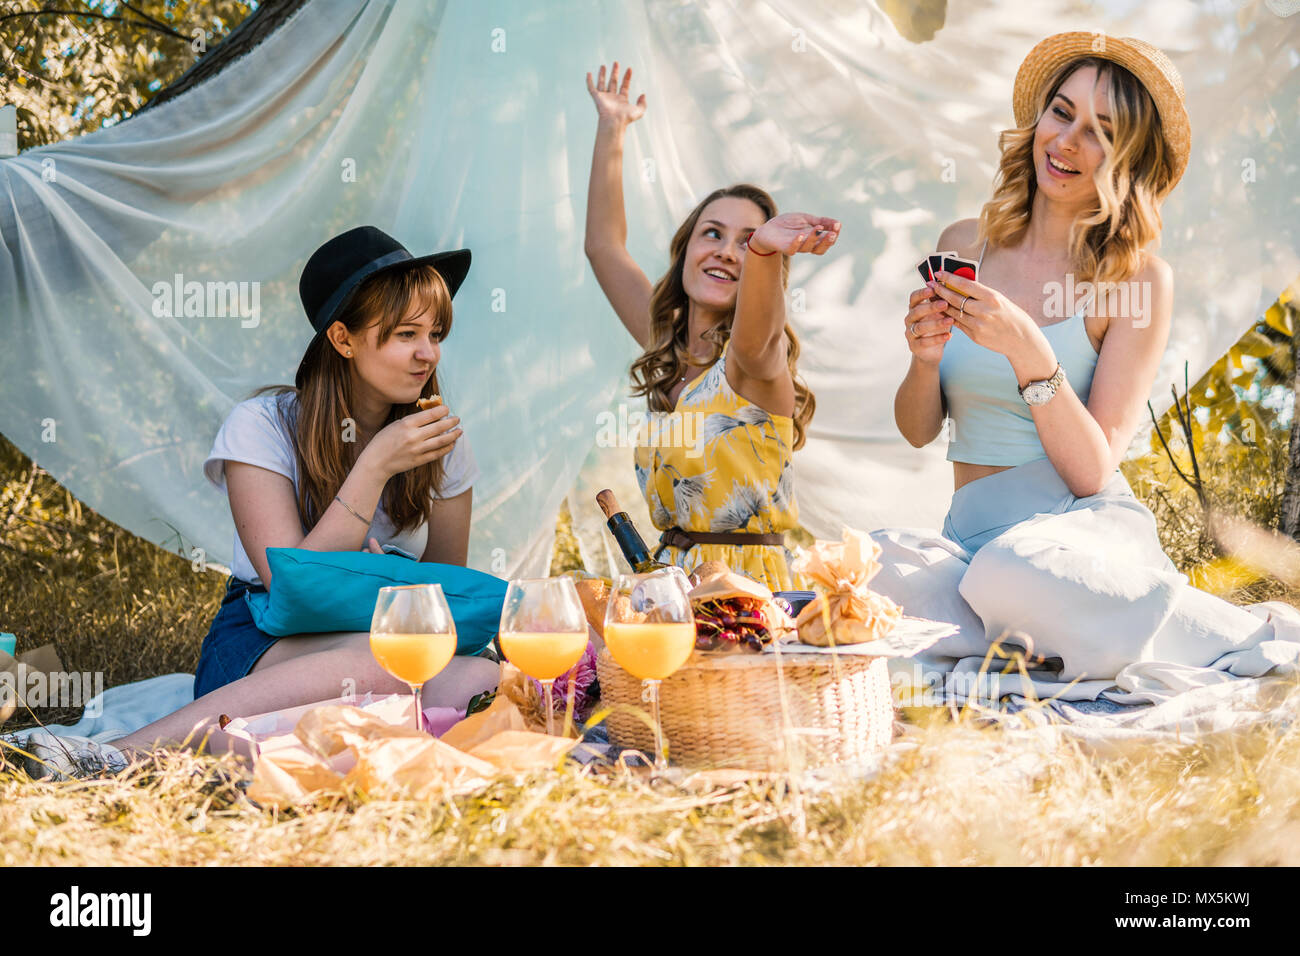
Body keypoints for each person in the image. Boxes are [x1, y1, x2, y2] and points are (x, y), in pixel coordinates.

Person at [874, 32, 1279, 701]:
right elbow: (919, 430)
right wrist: (923, 362)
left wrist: (1029, 349)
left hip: (1073, 534)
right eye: (1062, 113)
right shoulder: (962, 244)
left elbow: (1092, 469)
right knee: (882, 566)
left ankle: (1223, 635)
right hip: (972, 540)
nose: (1066, 142)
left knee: (1012, 573)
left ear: (1129, 158)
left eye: (1101, 131)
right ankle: (1042, 645)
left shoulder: (1138, 279)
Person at [11, 226, 500, 777]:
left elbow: (441, 596)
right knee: (390, 662)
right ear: (343, 339)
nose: (427, 354)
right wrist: (375, 466)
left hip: (378, 630)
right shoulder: (261, 426)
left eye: (436, 334)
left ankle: (278, 745)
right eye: (406, 334)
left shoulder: (438, 442)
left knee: (482, 679)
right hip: (264, 632)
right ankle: (112, 756)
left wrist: (386, 581)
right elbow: (289, 586)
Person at [584, 61, 837, 592]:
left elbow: (758, 335)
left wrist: (765, 249)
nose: (726, 251)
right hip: (670, 583)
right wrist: (613, 128)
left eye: (746, 241)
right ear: (685, 251)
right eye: (712, 233)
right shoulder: (667, 345)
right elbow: (603, 247)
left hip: (747, 593)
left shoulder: (754, 365)